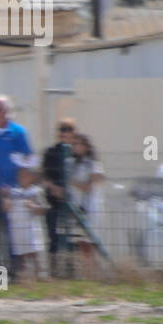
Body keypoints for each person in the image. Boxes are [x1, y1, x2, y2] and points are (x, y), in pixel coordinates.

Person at [0, 95, 32, 271]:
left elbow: (27, 162)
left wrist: (13, 187)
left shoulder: (18, 133)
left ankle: (13, 276)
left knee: (12, 237)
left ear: (9, 111)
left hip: (11, 193)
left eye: (2, 108)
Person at [41, 119, 78, 278]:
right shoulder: (50, 152)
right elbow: (43, 176)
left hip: (74, 204)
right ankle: (54, 273)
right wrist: (54, 188)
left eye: (67, 129)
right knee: (54, 239)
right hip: (53, 202)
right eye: (61, 129)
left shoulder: (77, 153)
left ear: (73, 133)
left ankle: (72, 273)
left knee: (73, 239)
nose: (64, 132)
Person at [4, 154, 48, 281]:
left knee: (34, 254)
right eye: (20, 175)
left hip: (31, 229)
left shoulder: (36, 191)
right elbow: (7, 208)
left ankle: (39, 275)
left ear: (32, 177)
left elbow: (43, 208)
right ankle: (24, 278)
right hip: (17, 228)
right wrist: (7, 205)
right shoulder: (14, 192)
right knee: (21, 254)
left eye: (25, 175)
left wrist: (34, 206)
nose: (21, 177)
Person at [69, 133, 106, 272]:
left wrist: (70, 181)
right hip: (78, 208)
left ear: (85, 146)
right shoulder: (74, 164)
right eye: (74, 144)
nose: (75, 147)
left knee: (91, 244)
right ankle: (87, 272)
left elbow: (88, 187)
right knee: (81, 244)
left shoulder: (93, 164)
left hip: (92, 208)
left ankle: (94, 272)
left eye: (78, 144)